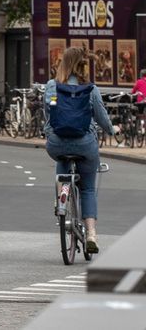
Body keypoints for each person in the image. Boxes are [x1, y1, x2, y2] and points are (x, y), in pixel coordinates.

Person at [44, 47, 116, 253]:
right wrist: (112, 130)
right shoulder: (90, 88)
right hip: (84, 143)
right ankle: (91, 234)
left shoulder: (51, 86)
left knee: (62, 160)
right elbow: (101, 117)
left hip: (57, 142)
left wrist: (50, 134)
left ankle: (61, 197)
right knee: (87, 188)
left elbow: (48, 113)